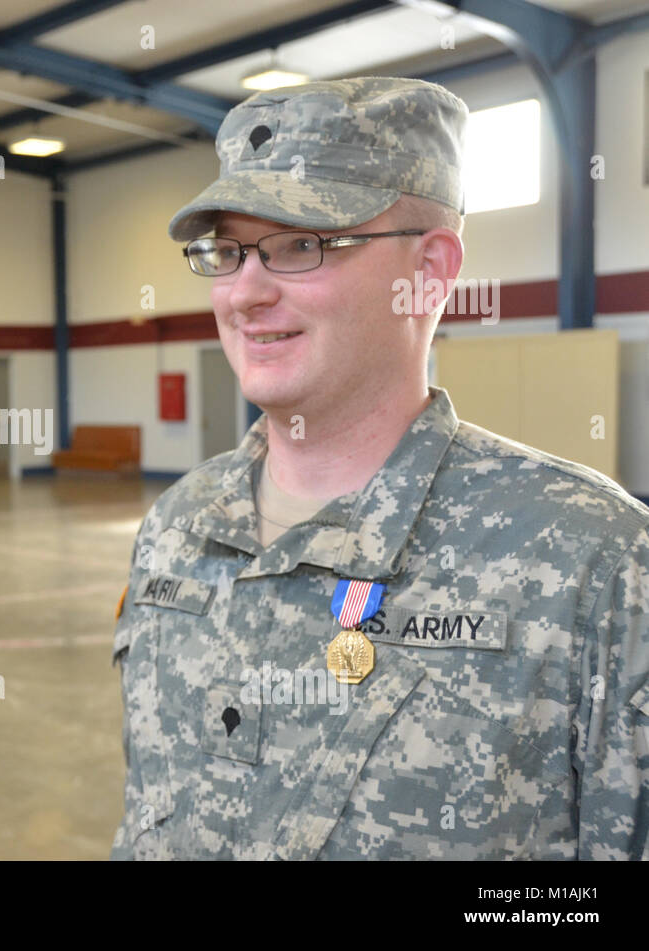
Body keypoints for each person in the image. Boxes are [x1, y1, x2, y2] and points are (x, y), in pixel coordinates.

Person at [112, 77, 648, 860]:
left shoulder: (595, 562)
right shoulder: (175, 525)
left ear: (429, 271)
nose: (244, 291)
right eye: (226, 251)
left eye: (302, 243)